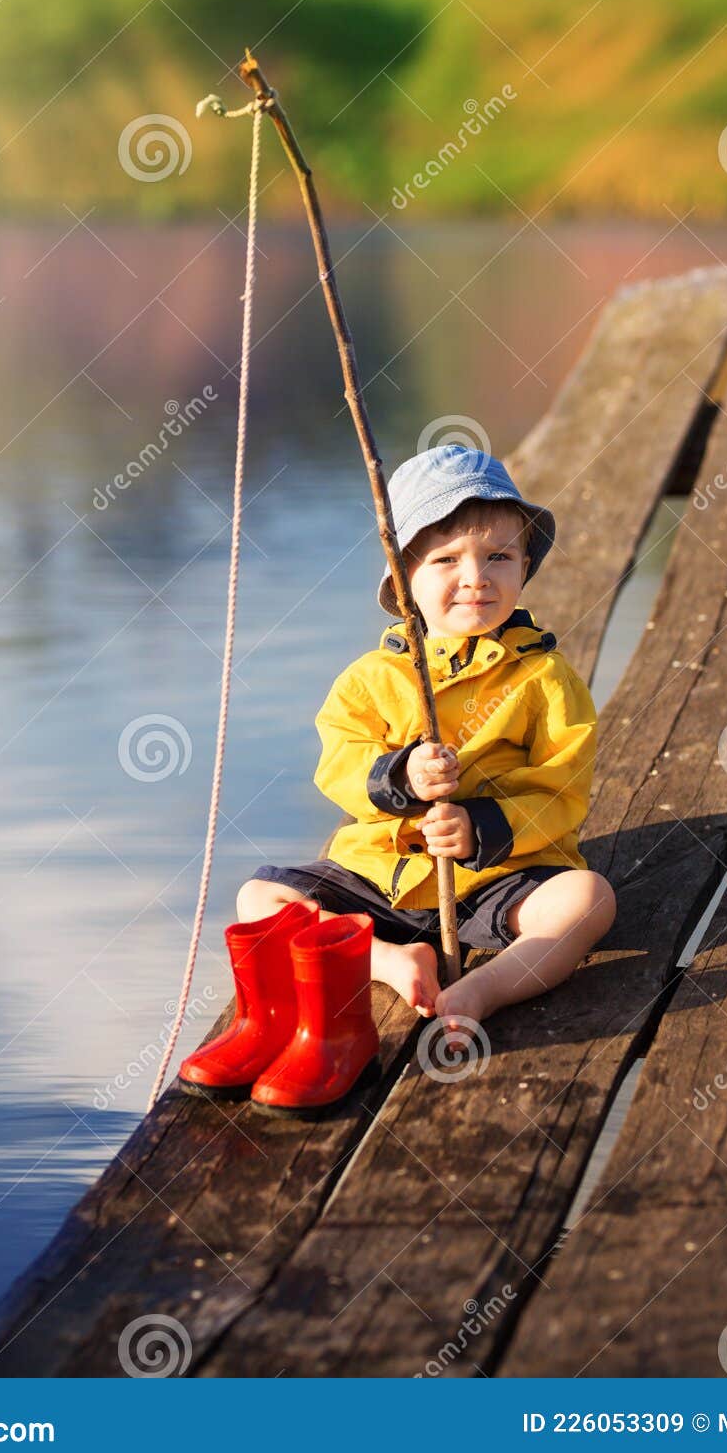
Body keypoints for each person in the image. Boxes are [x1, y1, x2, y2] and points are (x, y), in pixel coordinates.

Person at [239, 444, 616, 1048]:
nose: (477, 578)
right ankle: (389, 961)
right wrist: (402, 777)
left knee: (589, 899)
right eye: (446, 559)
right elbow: (340, 763)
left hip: (498, 876)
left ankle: (485, 988)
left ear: (524, 565)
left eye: (499, 556)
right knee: (260, 898)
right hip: (380, 873)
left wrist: (481, 826)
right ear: (404, 578)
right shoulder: (373, 678)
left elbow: (561, 788)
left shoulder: (544, 678)